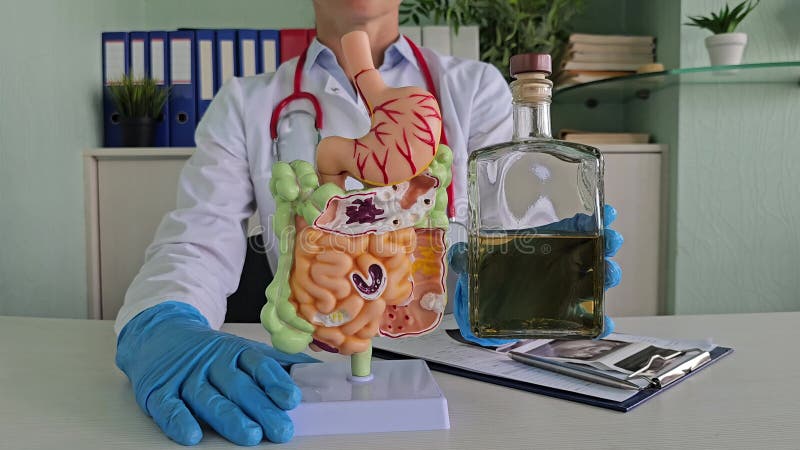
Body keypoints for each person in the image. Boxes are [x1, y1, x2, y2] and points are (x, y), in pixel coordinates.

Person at [114, 0, 623, 446]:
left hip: (463, 382)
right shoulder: (245, 103)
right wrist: (161, 324)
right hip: (306, 374)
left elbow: (515, 213)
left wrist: (508, 279)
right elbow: (197, 241)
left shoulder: (475, 89)